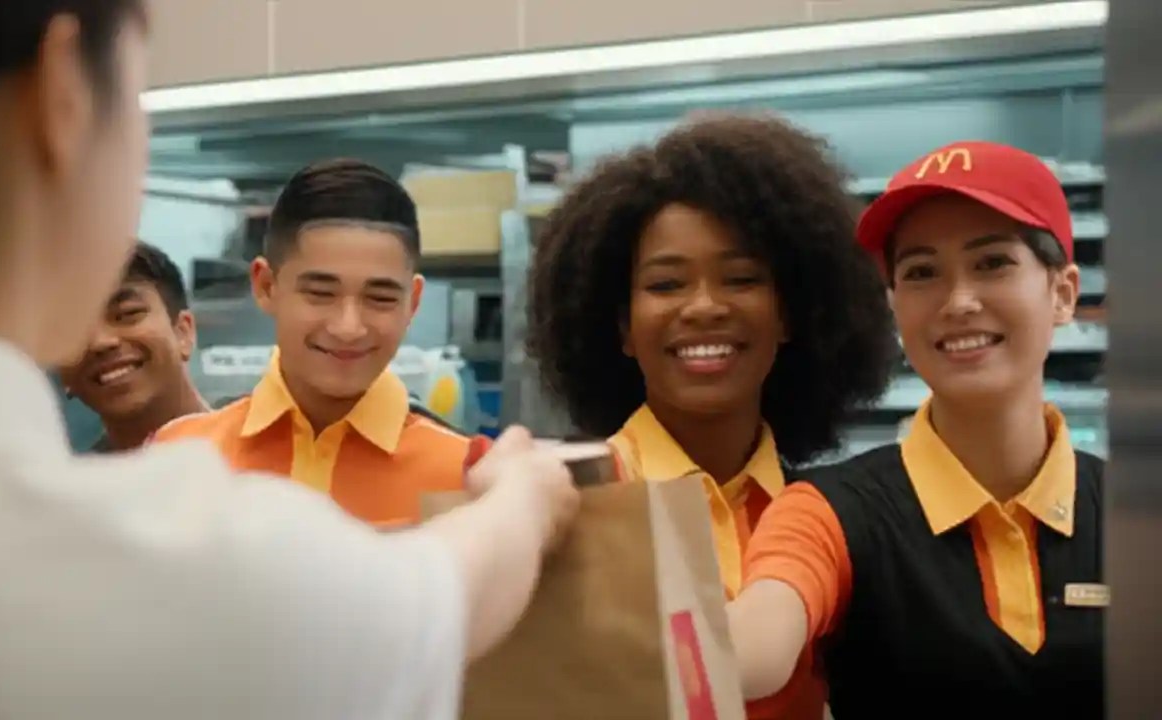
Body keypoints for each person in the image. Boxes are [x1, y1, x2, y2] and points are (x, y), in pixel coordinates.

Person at [0, 3, 579, 718]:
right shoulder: (189, 537)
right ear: (64, 96)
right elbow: (422, 609)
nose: (347, 324)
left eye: (379, 295)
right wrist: (522, 500)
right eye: (137, 98)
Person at [527, 113, 897, 719]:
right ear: (620, 327)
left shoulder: (832, 517)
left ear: (791, 315)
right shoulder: (566, 505)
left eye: (741, 279)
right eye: (666, 284)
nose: (703, 307)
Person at [730, 141, 1104, 718]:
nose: (959, 301)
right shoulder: (826, 514)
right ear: (895, 305)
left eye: (992, 263)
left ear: (1063, 293)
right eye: (922, 272)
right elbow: (755, 647)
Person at [152, 159, 473, 527]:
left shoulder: (462, 476)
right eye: (320, 293)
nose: (348, 328)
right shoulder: (182, 458)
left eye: (380, 298)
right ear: (266, 286)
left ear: (412, 303)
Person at [59, 240, 209, 452]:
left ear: (183, 332)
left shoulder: (257, 455)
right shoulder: (63, 474)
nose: (101, 342)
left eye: (127, 314)